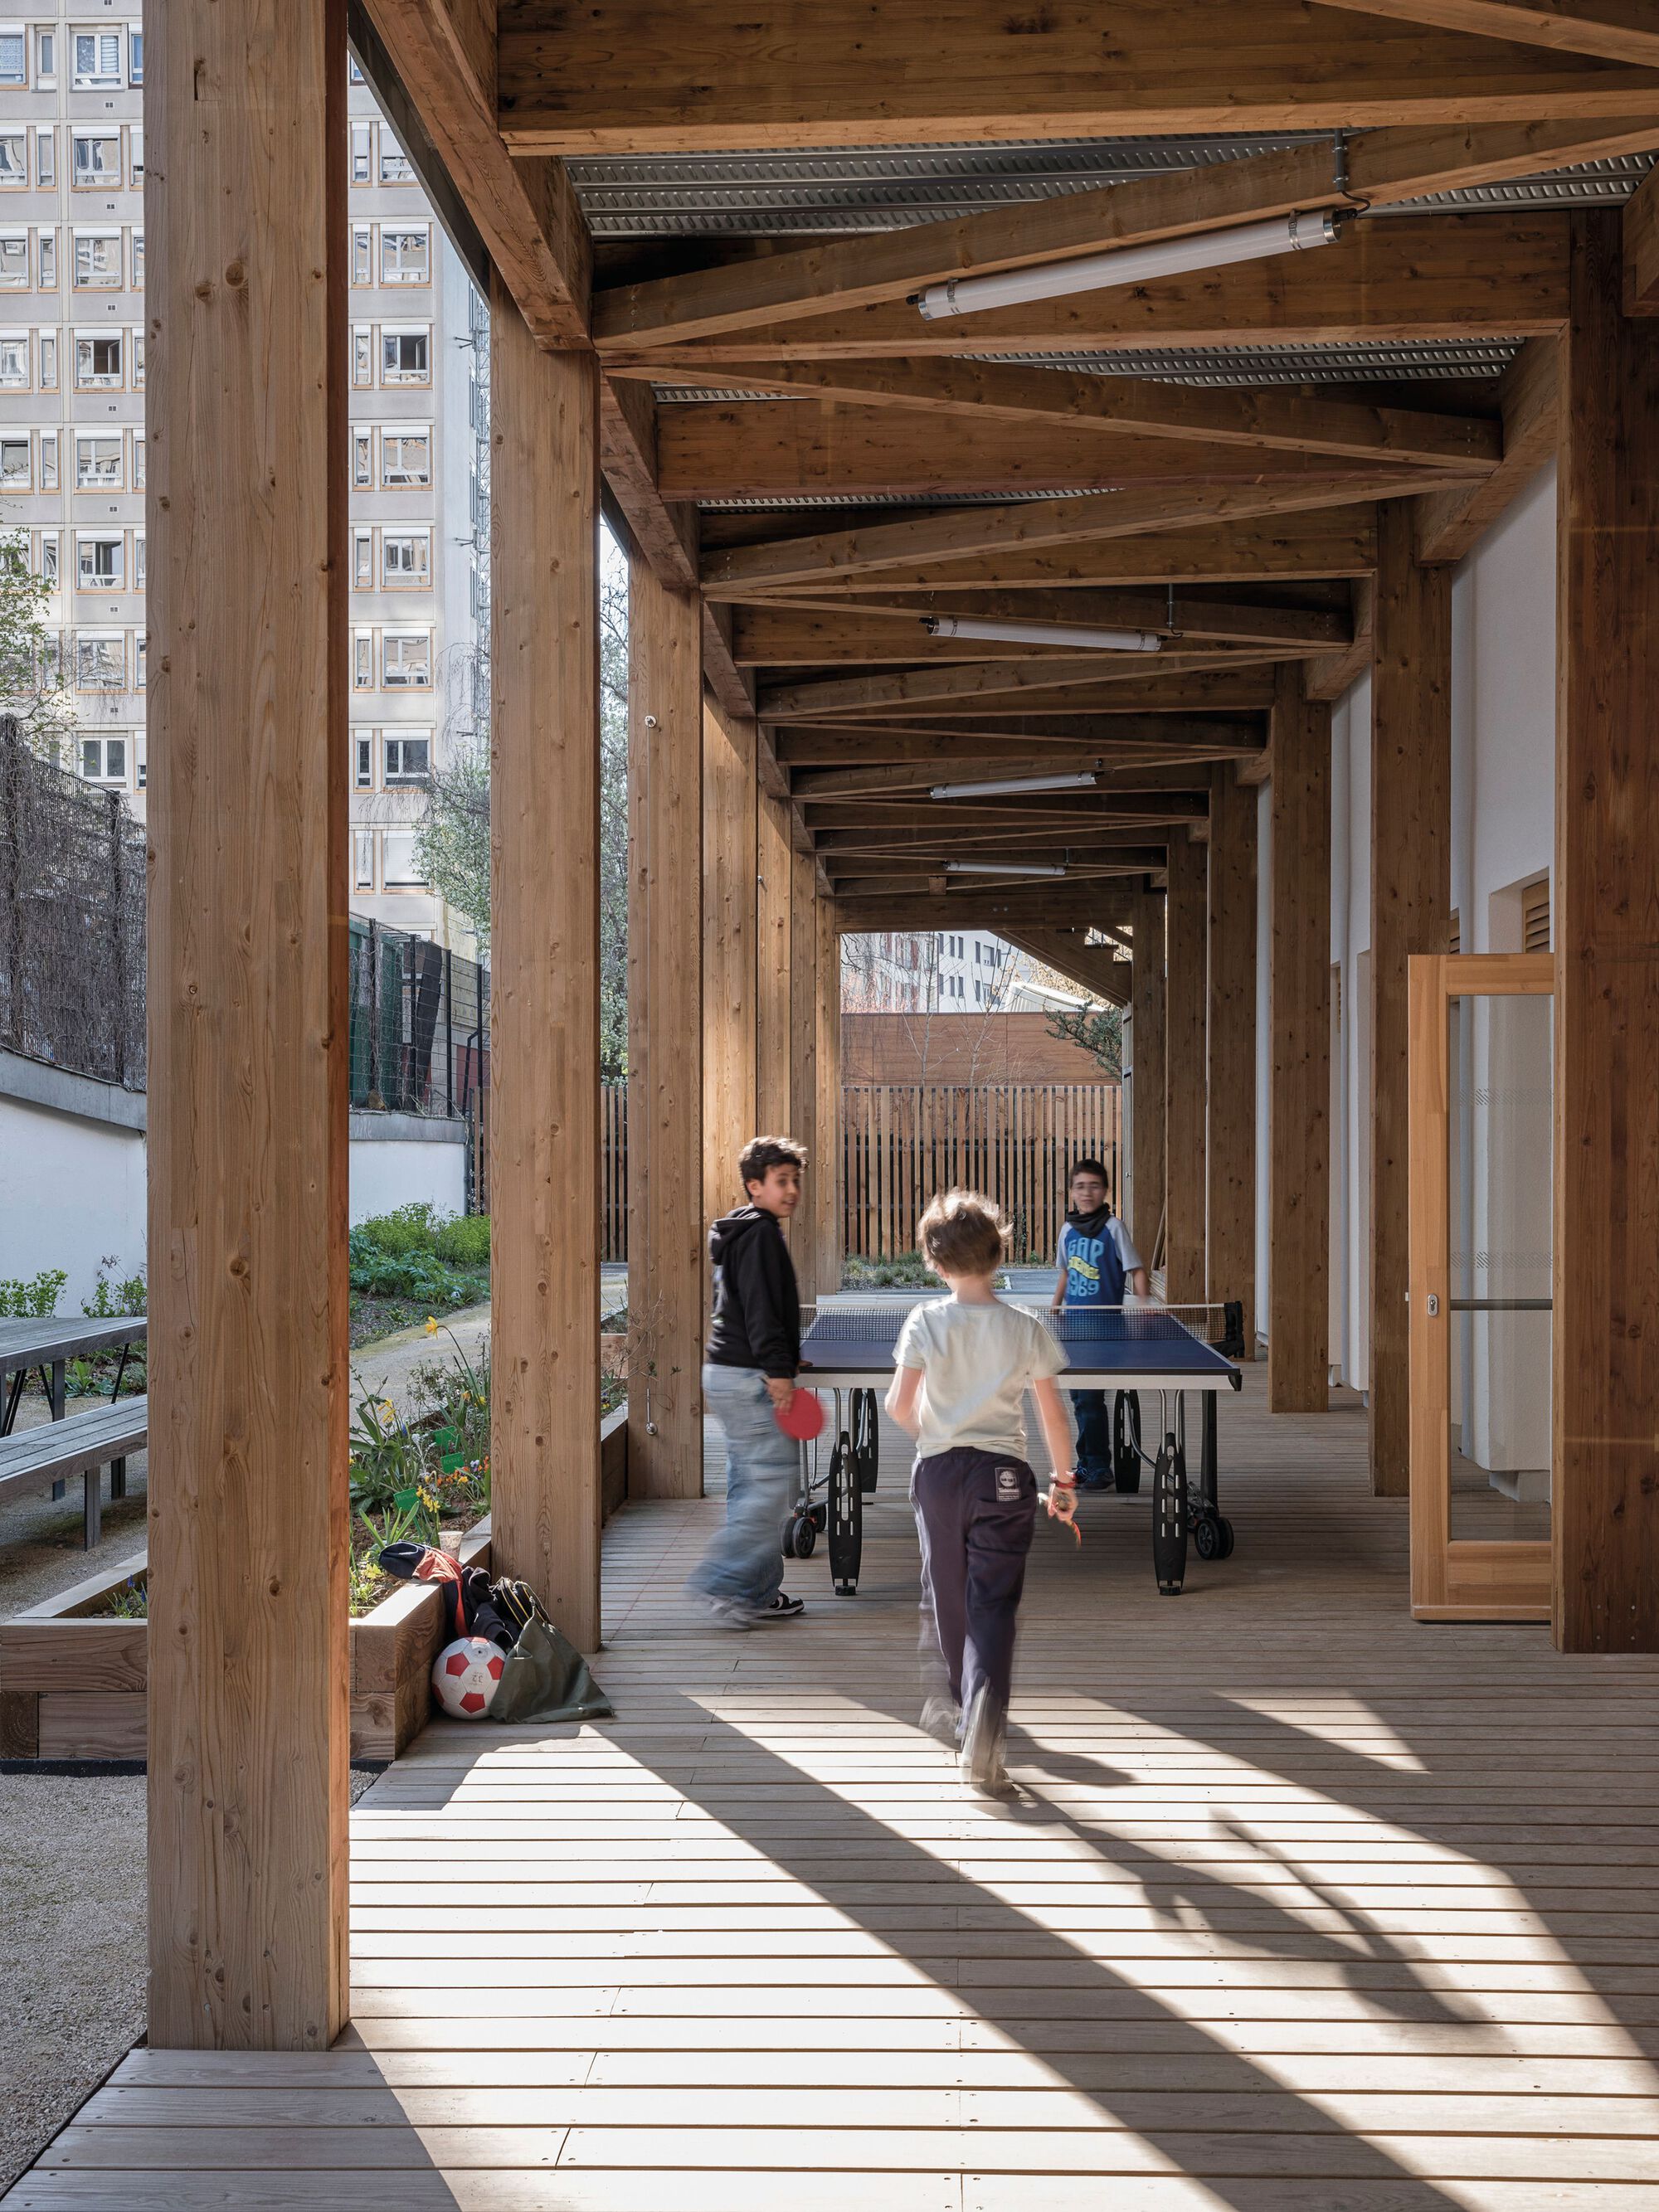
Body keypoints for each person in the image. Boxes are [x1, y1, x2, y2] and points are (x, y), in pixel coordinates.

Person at [886, 1189, 1079, 1797]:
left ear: (935, 1262)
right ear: (1000, 1255)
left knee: (948, 1599)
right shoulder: (1025, 1327)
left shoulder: (924, 1320)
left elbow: (899, 1405)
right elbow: (1053, 1417)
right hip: (1004, 1477)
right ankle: (985, 1715)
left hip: (939, 1476)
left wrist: (938, 1439)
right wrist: (1064, 1481)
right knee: (992, 1605)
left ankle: (965, 1710)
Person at [690, 1135, 810, 1628]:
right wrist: (778, 1371)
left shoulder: (742, 1231)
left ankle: (756, 1592)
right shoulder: (761, 1235)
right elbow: (761, 1309)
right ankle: (723, 1580)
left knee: (749, 1484)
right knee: (770, 1489)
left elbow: (749, 1307)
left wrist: (786, 1357)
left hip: (725, 1373)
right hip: (749, 1377)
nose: (792, 1190)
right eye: (781, 1181)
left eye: (795, 1180)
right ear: (754, 1186)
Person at [1050, 1157, 1149, 1490]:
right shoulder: (1067, 1230)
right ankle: (1086, 1463)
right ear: (1071, 1192)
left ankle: (1099, 1467)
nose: (1087, 1192)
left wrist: (1144, 1306)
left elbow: (1136, 1270)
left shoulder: (1114, 1228)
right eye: (1080, 1186)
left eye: (1094, 1186)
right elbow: (1065, 1273)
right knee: (1080, 1398)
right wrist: (1054, 1309)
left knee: (1090, 1399)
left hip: (1105, 1330)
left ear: (1105, 1190)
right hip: (1074, 1330)